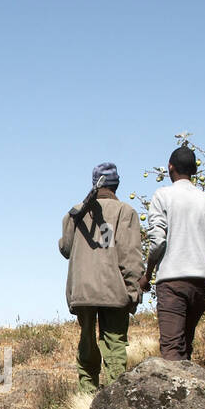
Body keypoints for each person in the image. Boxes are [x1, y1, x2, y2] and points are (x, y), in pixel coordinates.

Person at [141, 145, 205, 361]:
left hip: (173, 284)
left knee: (172, 351)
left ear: (170, 167)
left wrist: (147, 275)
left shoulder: (163, 196)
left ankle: (178, 394)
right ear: (194, 170)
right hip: (201, 287)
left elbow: (158, 243)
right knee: (185, 347)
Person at [58, 162, 144, 393]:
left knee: (86, 344)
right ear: (117, 184)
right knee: (114, 345)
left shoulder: (75, 212)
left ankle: (87, 395)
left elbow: (65, 249)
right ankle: (115, 397)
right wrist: (133, 290)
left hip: (82, 290)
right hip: (114, 290)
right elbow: (131, 255)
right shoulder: (126, 212)